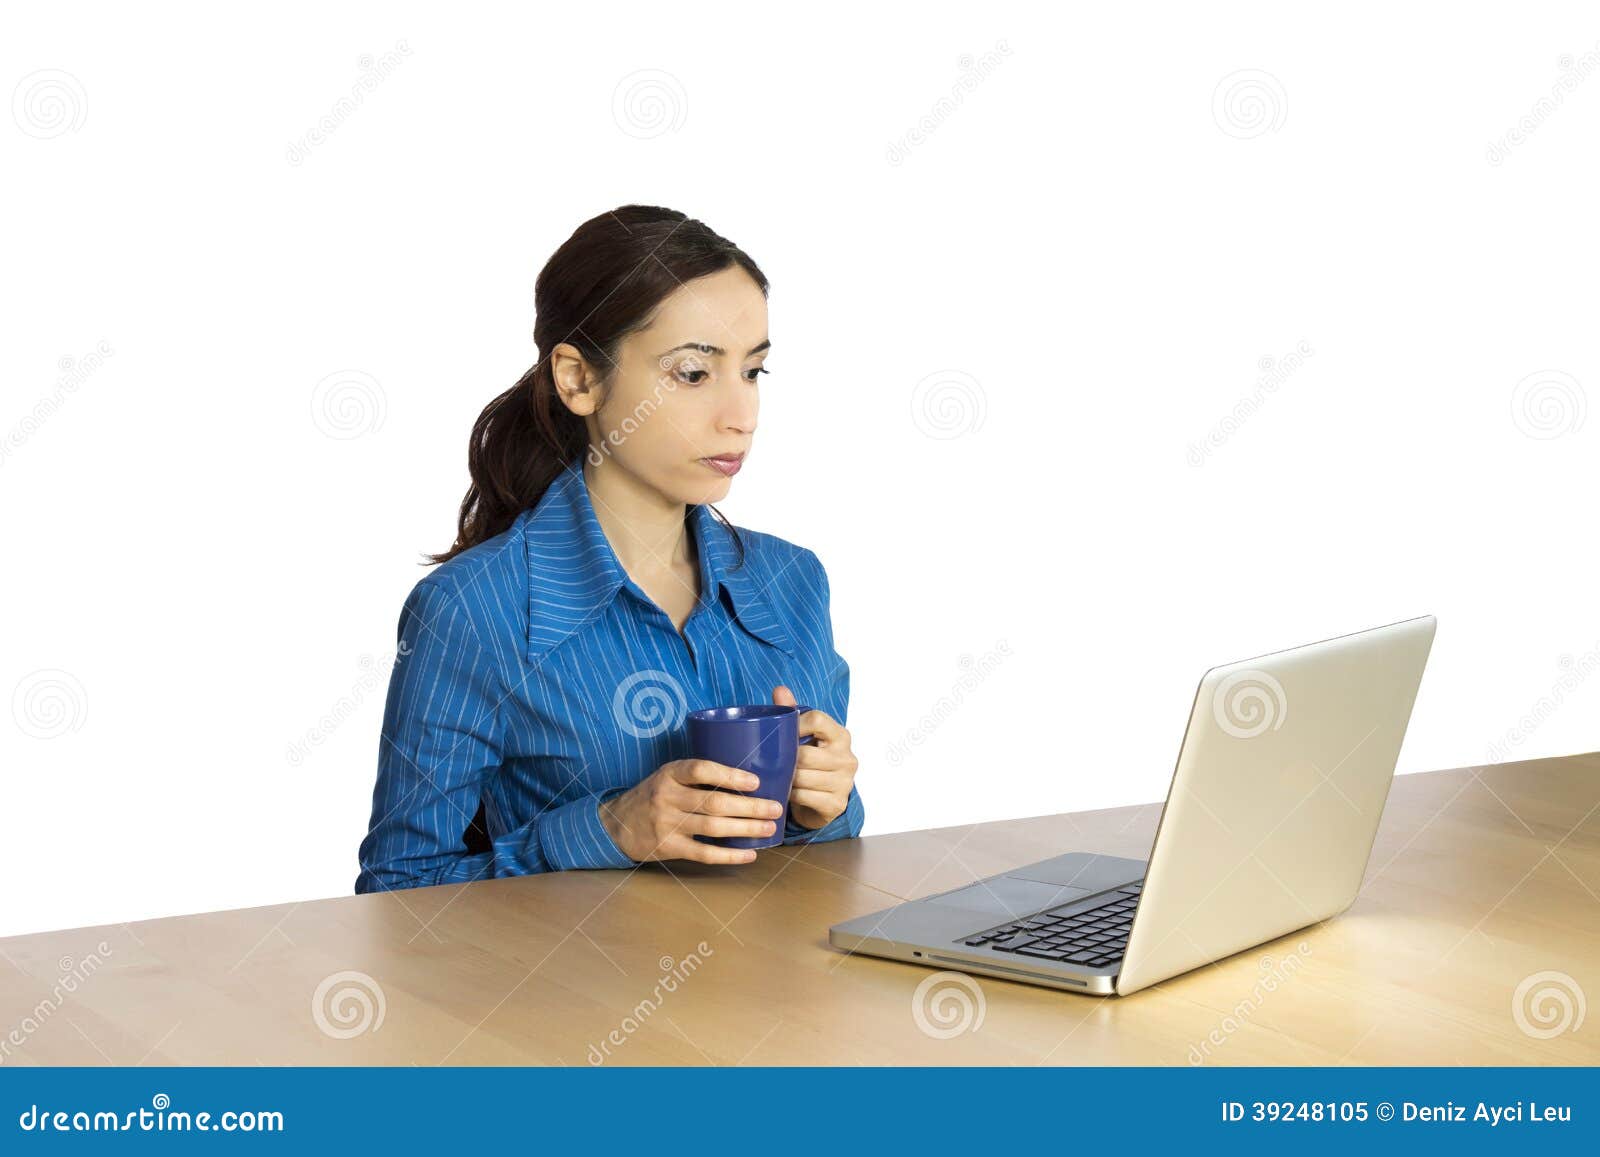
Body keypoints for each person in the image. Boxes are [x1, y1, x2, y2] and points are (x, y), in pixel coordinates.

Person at [355, 205, 863, 893]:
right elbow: (398, 895)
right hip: (575, 999)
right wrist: (609, 829)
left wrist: (824, 806)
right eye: (692, 373)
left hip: (782, 993)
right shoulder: (472, 611)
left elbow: (827, 860)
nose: (740, 415)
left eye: (753, 372)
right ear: (579, 379)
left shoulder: (792, 582)